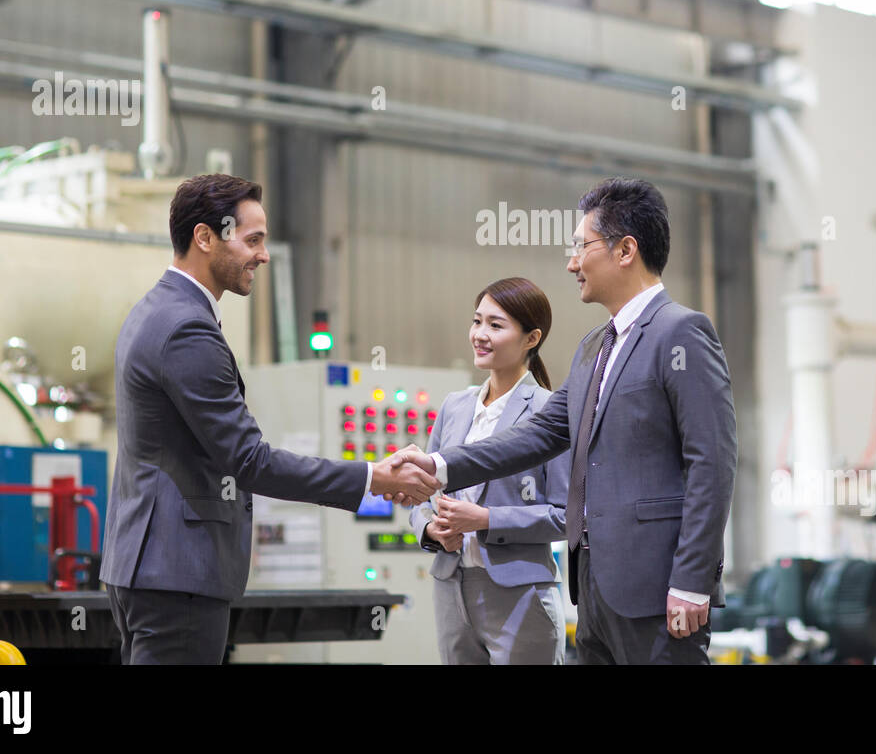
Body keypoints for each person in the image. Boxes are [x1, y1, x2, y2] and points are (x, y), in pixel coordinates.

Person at [393, 178, 737, 664]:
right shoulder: (595, 346)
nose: (572, 262)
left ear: (625, 250)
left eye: (581, 246)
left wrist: (692, 580)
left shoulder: (681, 332)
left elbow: (713, 463)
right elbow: (536, 435)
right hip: (594, 590)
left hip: (658, 589)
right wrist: (436, 464)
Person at [100, 173, 438, 664]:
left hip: (151, 565)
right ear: (205, 236)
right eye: (253, 239)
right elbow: (250, 461)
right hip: (178, 571)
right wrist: (373, 477)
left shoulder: (155, 311)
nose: (263, 254)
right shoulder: (186, 329)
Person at [410, 277, 570, 665]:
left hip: (520, 594)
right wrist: (429, 530)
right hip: (452, 586)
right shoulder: (454, 406)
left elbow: (568, 516)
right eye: (477, 321)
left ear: (531, 338)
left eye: (495, 326)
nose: (479, 334)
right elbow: (422, 495)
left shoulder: (552, 412)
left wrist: (485, 519)